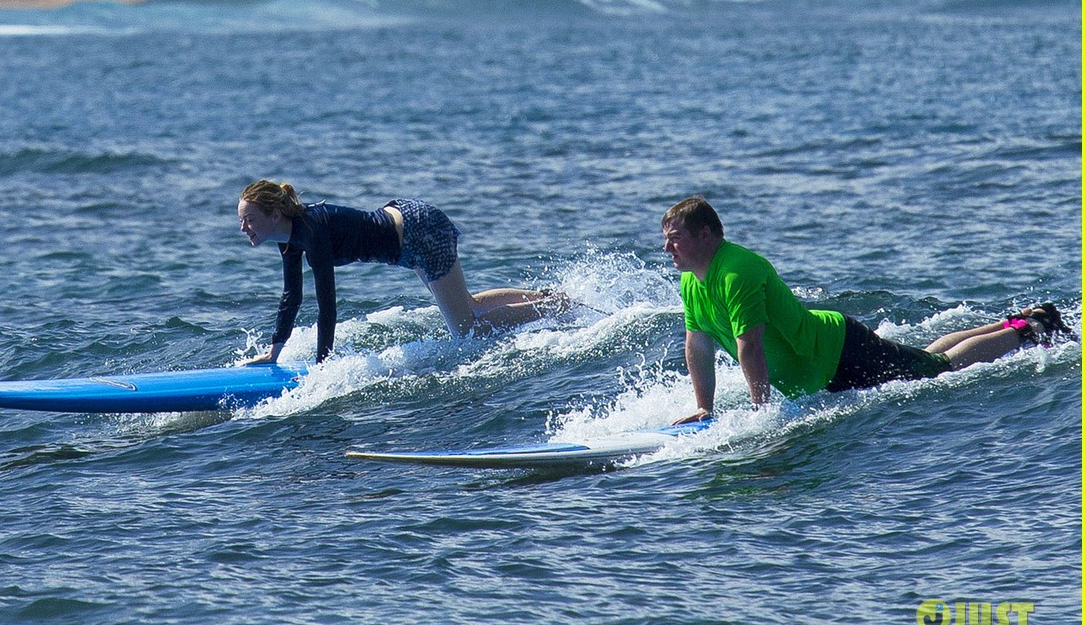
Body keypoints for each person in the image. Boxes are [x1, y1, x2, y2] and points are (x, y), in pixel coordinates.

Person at [661, 196, 1075, 424]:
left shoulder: (737, 272)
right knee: (925, 357)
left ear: (706, 233)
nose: (667, 248)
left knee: (939, 368)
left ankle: (1032, 328)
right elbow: (697, 344)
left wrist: (761, 416)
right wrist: (705, 408)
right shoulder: (692, 280)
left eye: (675, 238)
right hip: (821, 365)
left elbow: (749, 345)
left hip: (838, 352)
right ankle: (1015, 320)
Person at [238, 180, 567, 364]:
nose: (244, 228)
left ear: (275, 214)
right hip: (408, 226)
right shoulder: (289, 238)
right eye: (241, 220)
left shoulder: (312, 232)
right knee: (467, 305)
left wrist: (322, 366)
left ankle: (555, 307)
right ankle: (548, 298)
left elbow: (327, 307)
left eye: (250, 220)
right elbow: (292, 297)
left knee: (466, 329)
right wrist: (274, 352)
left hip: (419, 232)